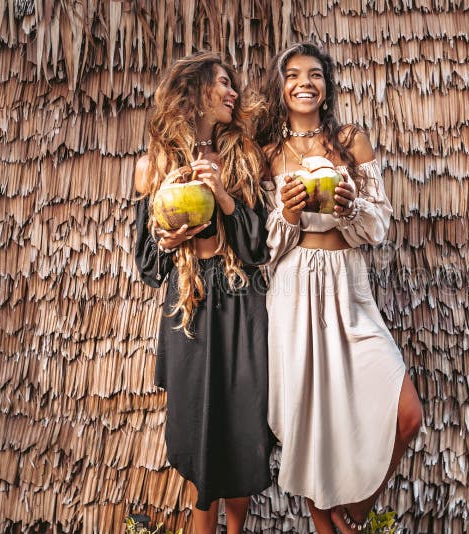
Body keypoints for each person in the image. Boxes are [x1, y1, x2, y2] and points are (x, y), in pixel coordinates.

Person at [257, 42, 423, 534]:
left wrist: (350, 207)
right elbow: (261, 250)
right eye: (292, 74)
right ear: (280, 86)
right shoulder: (267, 155)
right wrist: (286, 214)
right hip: (292, 293)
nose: (304, 82)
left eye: (314, 74)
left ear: (327, 86)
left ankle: (355, 512)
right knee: (308, 426)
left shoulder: (351, 142)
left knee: (407, 413)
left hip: (347, 287)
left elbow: (380, 225)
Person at [132, 52, 273, 534]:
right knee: (199, 426)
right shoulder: (155, 166)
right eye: (221, 84)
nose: (233, 92)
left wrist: (227, 197)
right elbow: (148, 266)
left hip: (241, 301)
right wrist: (165, 238)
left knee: (241, 424)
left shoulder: (245, 156)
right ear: (194, 92)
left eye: (233, 84)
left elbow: (258, 249)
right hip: (189, 305)